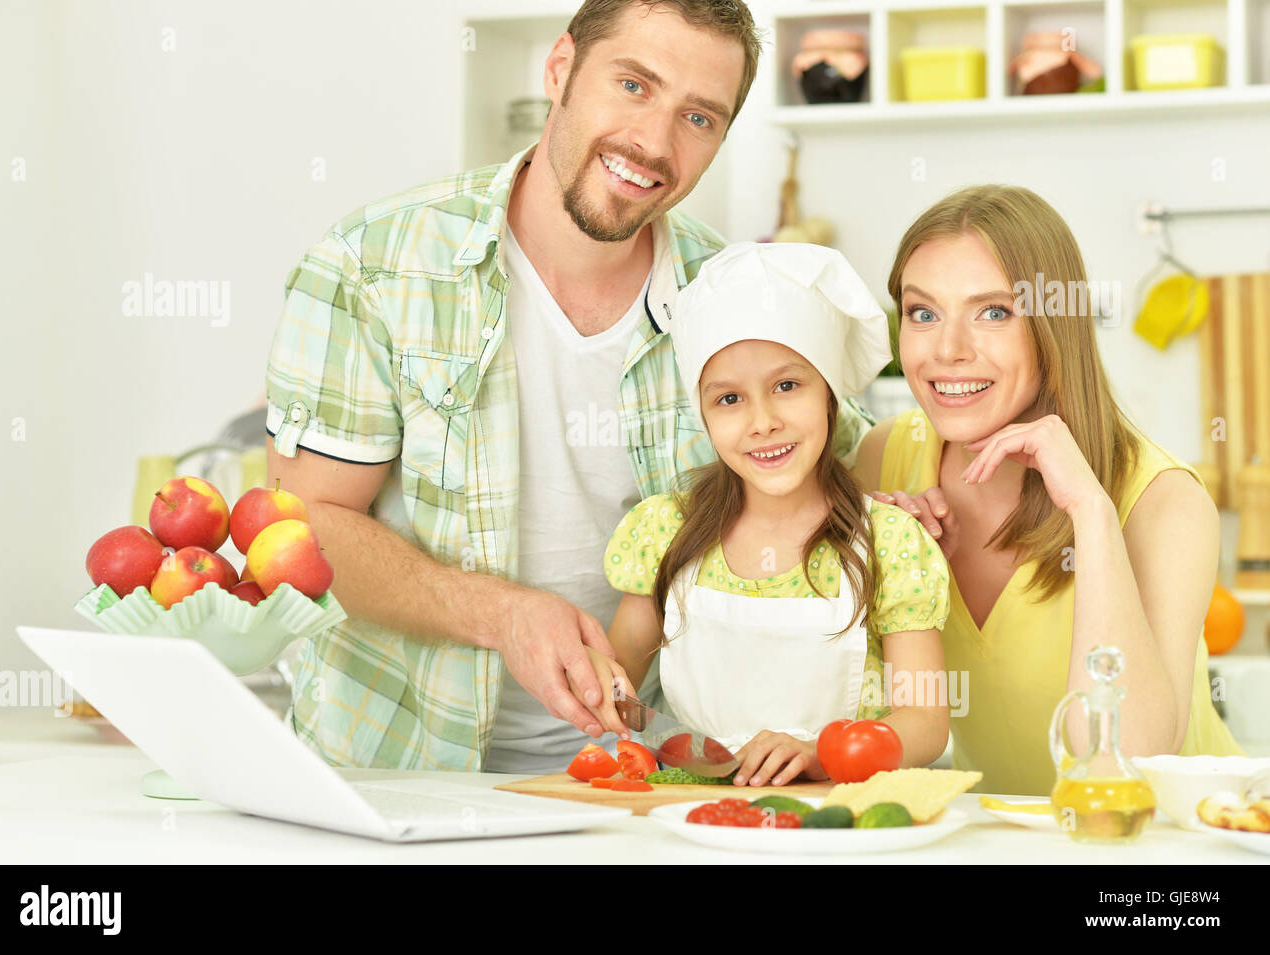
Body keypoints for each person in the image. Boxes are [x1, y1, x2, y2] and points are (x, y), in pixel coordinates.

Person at [263, 0, 877, 772]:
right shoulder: (372, 266)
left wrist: (914, 486)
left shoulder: (733, 292)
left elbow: (844, 466)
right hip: (392, 772)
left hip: (650, 784)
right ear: (561, 71)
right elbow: (298, 531)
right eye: (632, 84)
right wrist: (501, 614)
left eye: (699, 118)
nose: (653, 142)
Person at [852, 185, 1244, 796]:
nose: (948, 351)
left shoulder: (1165, 503)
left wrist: (1092, 516)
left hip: (1174, 851)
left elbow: (1121, 768)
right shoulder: (885, 459)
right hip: (1013, 845)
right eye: (923, 312)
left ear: (1053, 324)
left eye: (994, 312)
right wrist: (862, 565)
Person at [584, 242, 952, 787]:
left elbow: (926, 722)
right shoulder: (664, 532)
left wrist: (822, 755)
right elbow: (621, 694)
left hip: (835, 822)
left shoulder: (890, 544)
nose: (762, 422)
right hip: (685, 817)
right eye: (729, 399)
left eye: (786, 386)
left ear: (829, 395)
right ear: (703, 414)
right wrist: (598, 685)